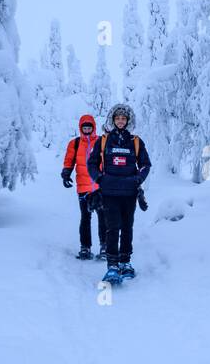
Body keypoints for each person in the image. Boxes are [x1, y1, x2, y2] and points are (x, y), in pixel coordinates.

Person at [88, 103, 150, 282]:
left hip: (129, 193)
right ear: (112, 120)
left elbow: (146, 164)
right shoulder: (104, 140)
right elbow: (91, 163)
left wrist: (138, 180)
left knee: (127, 228)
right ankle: (112, 265)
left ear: (128, 120)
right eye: (117, 118)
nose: (121, 121)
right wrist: (99, 179)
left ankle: (125, 262)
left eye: (124, 118)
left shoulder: (135, 141)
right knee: (112, 228)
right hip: (109, 193)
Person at [61, 114, 107, 260]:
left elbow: (107, 160)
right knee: (85, 218)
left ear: (93, 127)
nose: (87, 130)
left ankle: (105, 247)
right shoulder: (74, 144)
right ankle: (85, 248)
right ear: (81, 128)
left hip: (99, 186)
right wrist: (66, 173)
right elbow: (69, 160)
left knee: (103, 217)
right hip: (83, 188)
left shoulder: (101, 141)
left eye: (89, 127)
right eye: (84, 127)